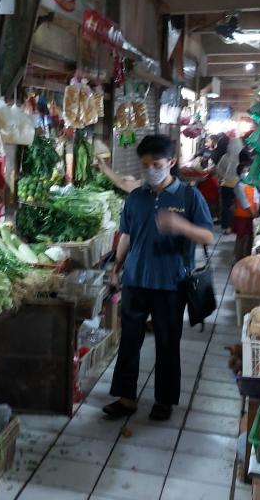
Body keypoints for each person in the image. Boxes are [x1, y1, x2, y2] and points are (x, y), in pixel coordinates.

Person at [102, 135, 214, 421]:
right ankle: (126, 398)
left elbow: (208, 235)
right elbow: (126, 235)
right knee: (129, 341)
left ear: (171, 162)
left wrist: (180, 225)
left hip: (171, 283)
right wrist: (117, 266)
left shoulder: (188, 196)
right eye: (145, 165)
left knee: (167, 342)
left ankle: (164, 400)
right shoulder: (136, 197)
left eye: (157, 164)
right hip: (136, 279)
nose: (151, 169)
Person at [232, 162, 260, 261]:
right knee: (241, 236)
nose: (247, 173)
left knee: (249, 237)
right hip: (241, 215)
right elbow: (244, 202)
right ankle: (238, 256)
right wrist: (253, 213)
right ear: (239, 174)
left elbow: (256, 198)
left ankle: (246, 256)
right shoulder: (239, 185)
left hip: (251, 215)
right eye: (244, 172)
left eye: (248, 171)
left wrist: (256, 211)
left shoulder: (252, 185)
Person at [215, 134, 243, 234]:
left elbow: (218, 169)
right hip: (239, 186)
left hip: (226, 185)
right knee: (237, 206)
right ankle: (236, 226)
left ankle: (227, 227)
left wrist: (224, 177)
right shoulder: (242, 157)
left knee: (226, 206)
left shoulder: (225, 157)